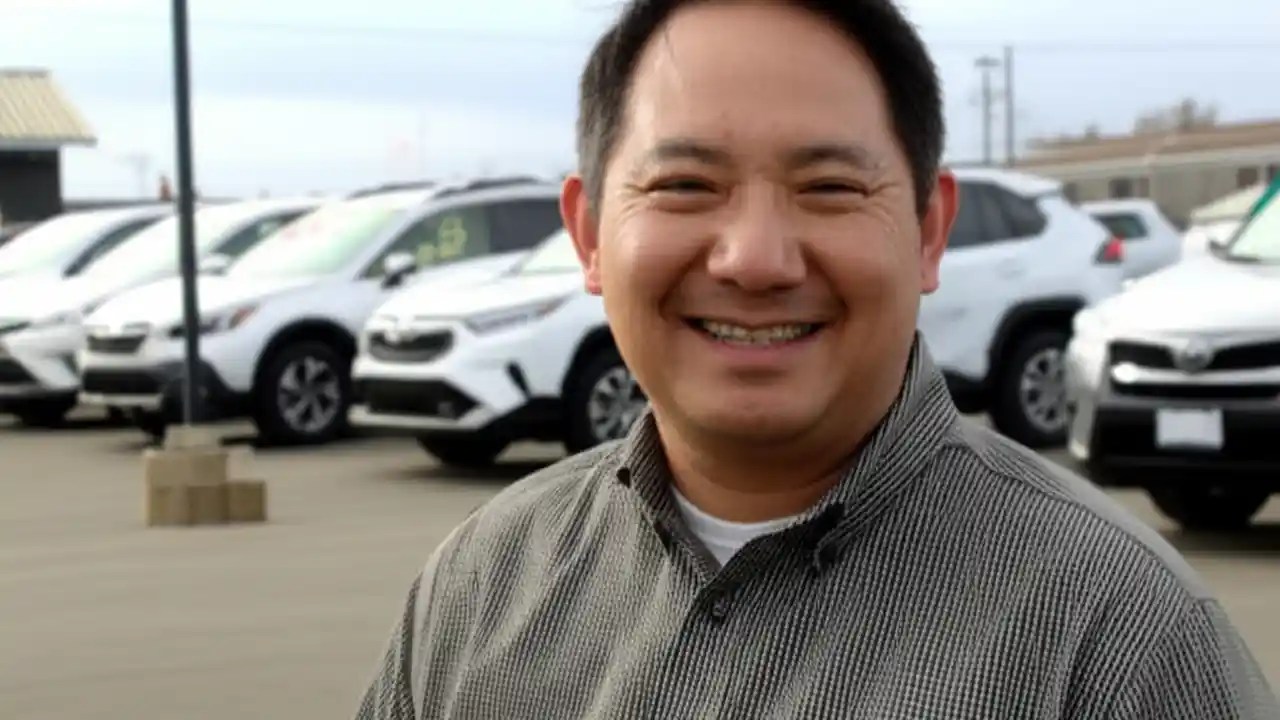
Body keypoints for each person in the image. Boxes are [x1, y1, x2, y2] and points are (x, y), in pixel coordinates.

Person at [356, 1, 1277, 717]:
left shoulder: (1119, 634)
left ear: (928, 230)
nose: (755, 258)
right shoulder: (484, 580)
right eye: (685, 186)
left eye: (830, 187)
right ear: (591, 235)